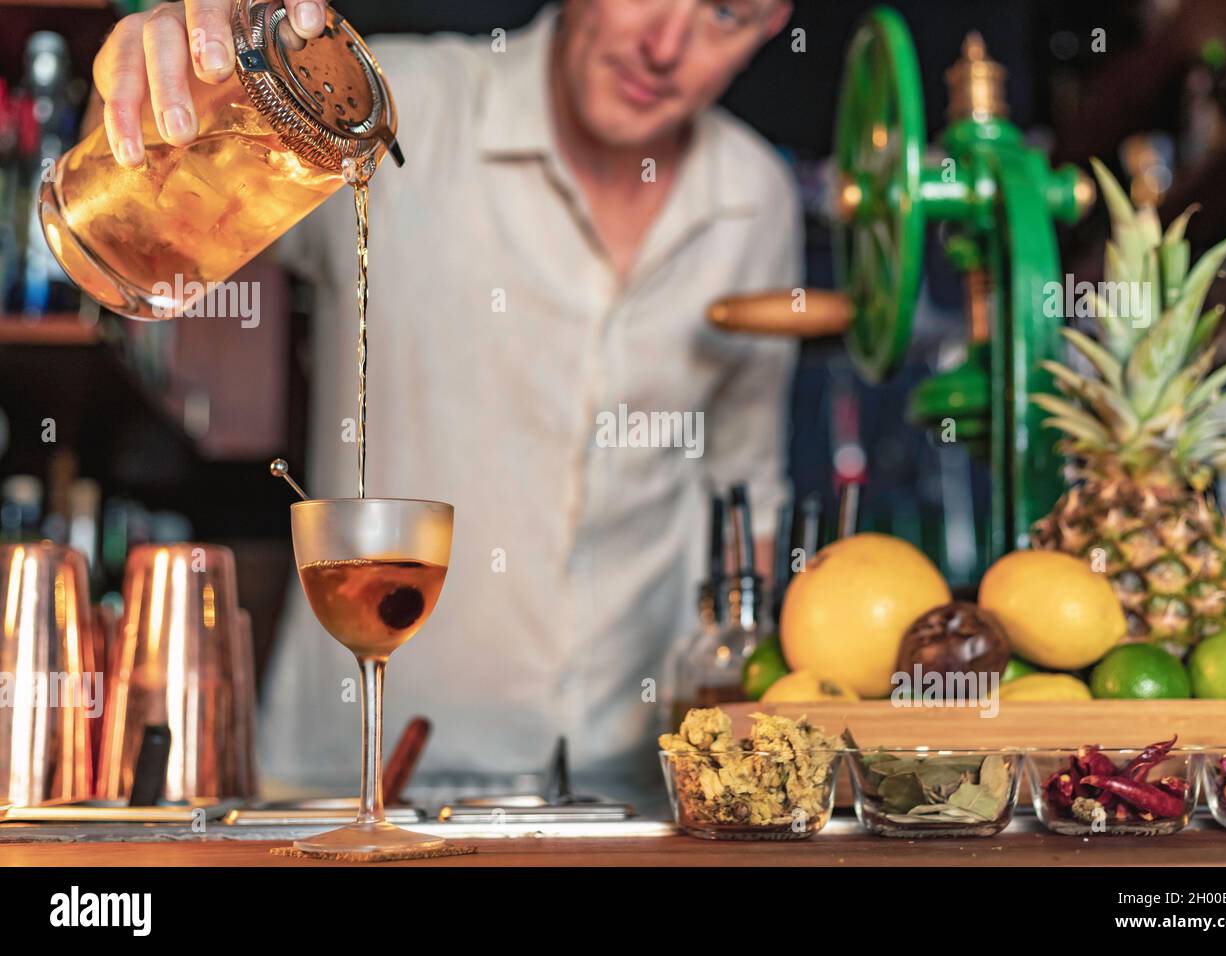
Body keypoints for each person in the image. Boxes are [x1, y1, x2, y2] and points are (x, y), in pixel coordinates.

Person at [92, 0, 802, 793]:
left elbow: (747, 501)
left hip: (622, 791)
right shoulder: (388, 109)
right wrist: (149, 83)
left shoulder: (754, 198)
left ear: (774, 24)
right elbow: (151, 213)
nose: (665, 46)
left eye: (726, 13)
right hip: (352, 774)